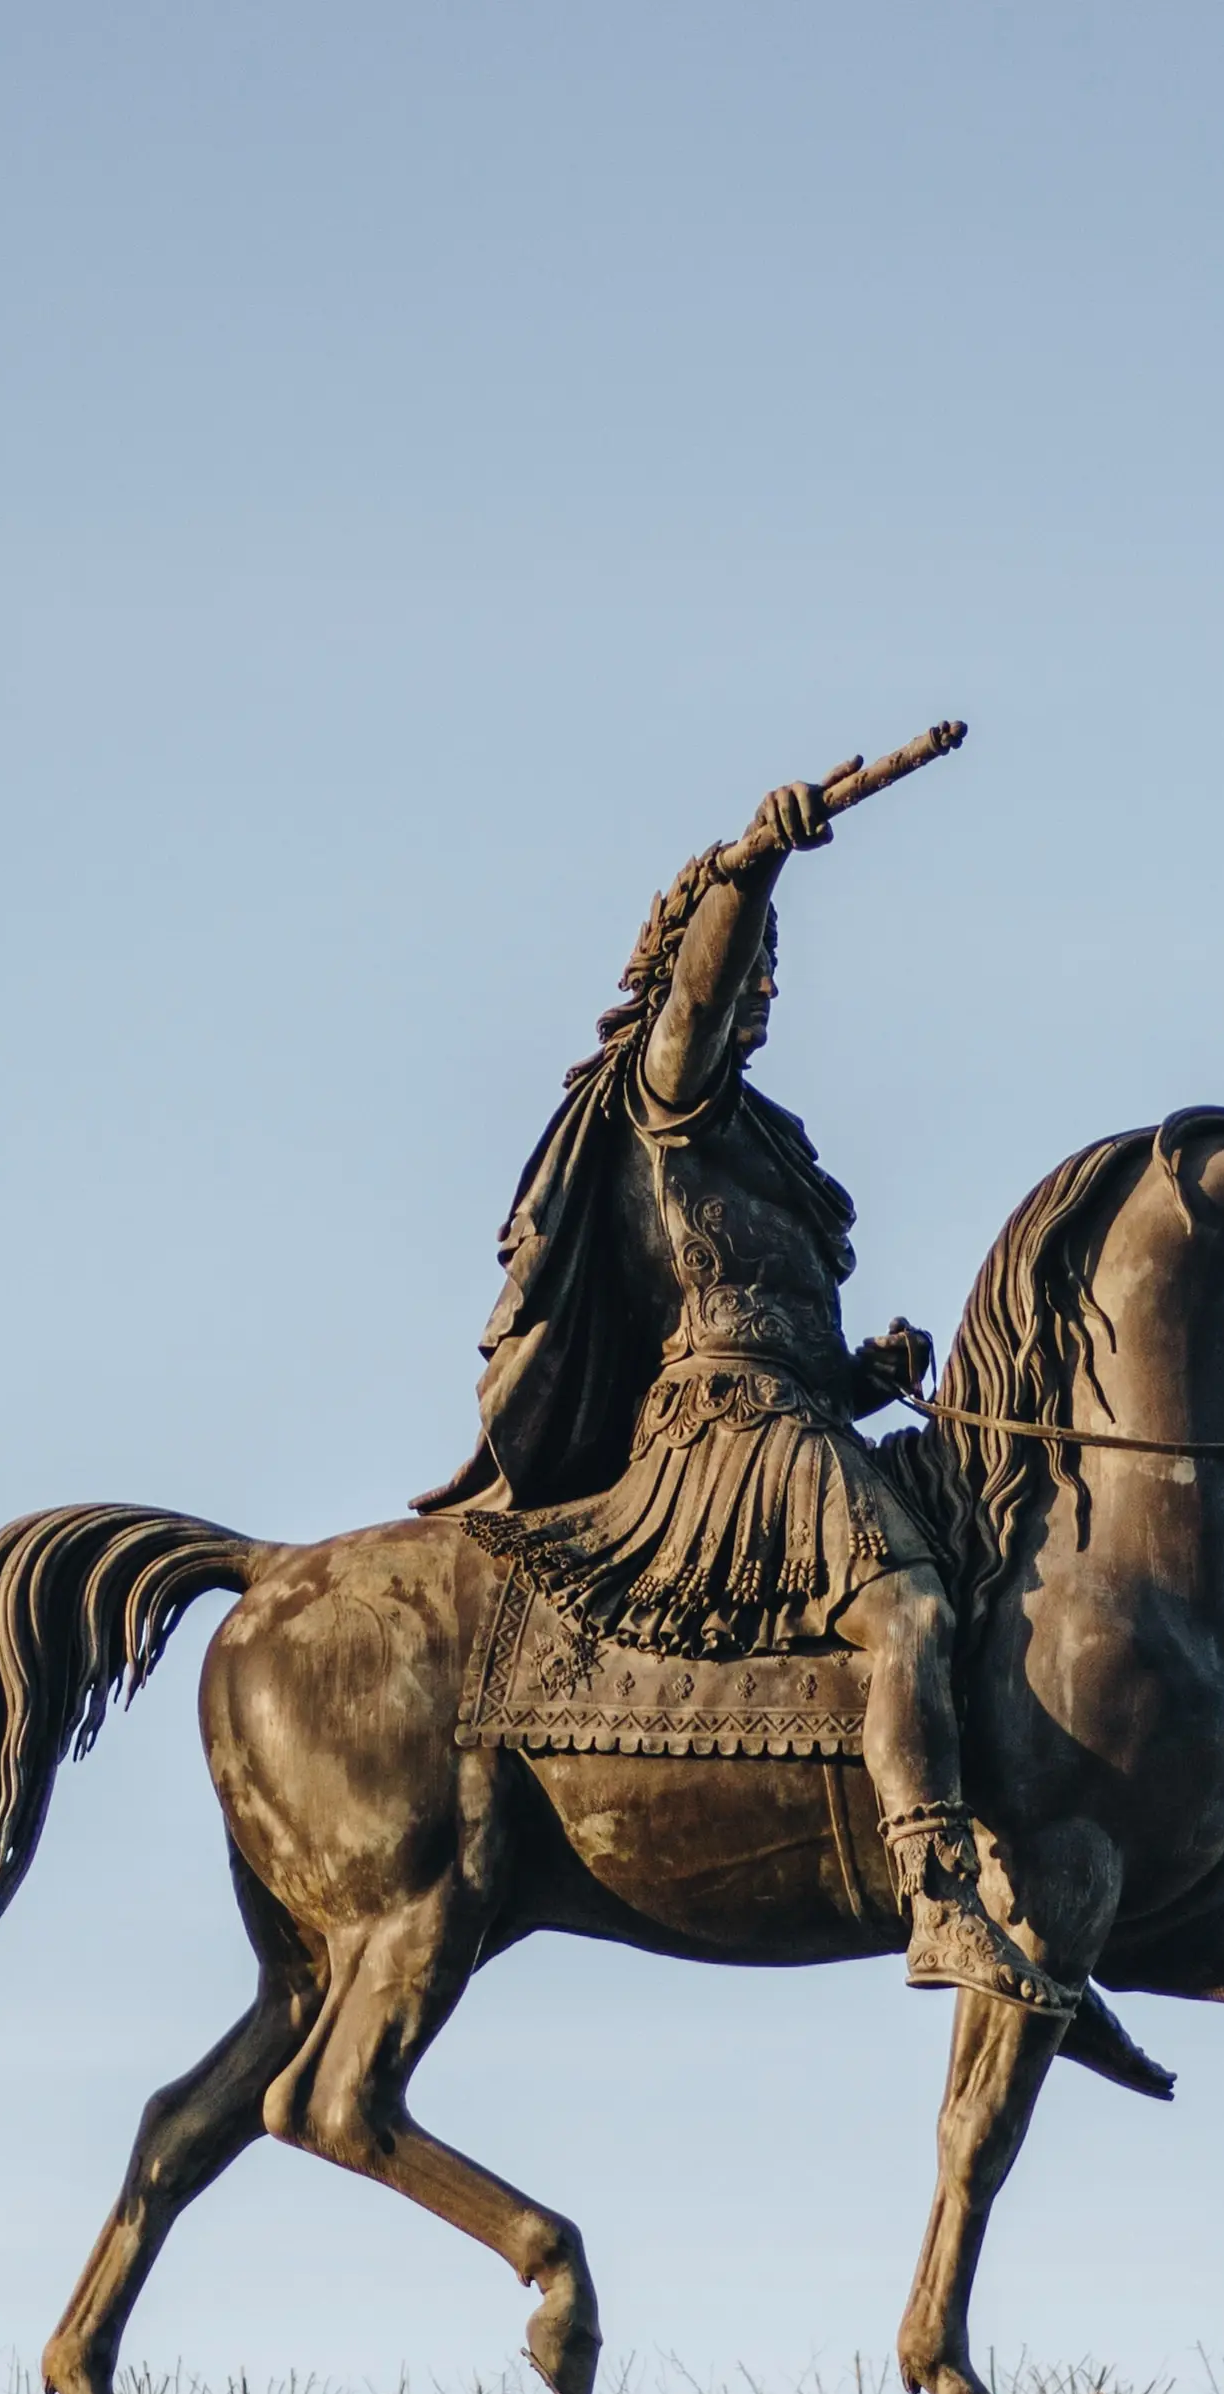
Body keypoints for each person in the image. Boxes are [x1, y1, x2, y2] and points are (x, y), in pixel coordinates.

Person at [417, 773, 1064, 2011]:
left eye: (774, 965)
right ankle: (935, 1895)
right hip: (726, 1440)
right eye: (752, 963)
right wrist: (753, 864)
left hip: (800, 1418)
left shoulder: (760, 1141)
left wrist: (860, 1372)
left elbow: (772, 1328)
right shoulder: (670, 1091)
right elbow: (699, 995)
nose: (765, 984)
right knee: (915, 1614)